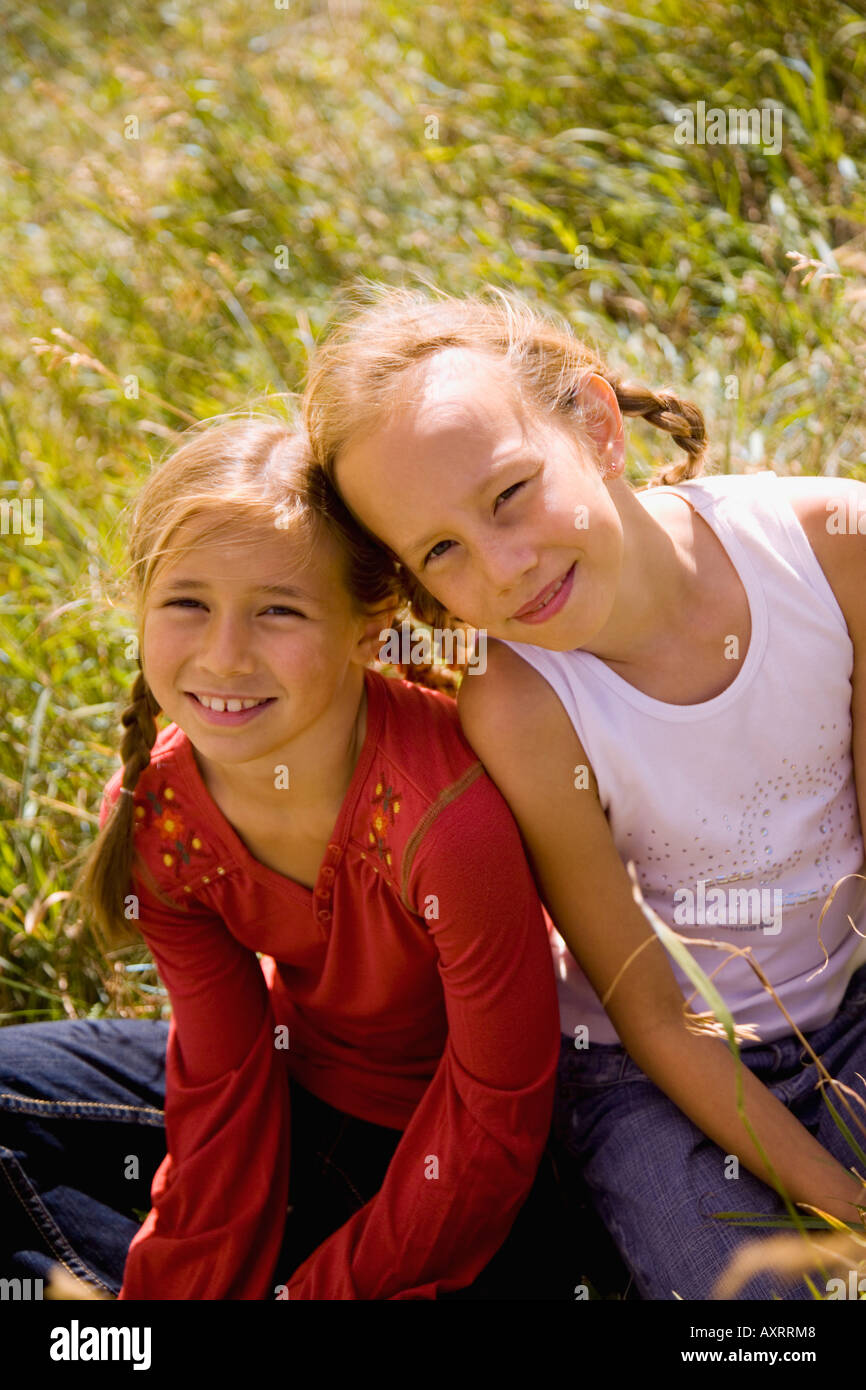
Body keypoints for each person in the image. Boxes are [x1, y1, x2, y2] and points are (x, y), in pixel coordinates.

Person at [299, 282, 866, 1299]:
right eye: (441, 552)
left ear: (596, 425)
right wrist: (843, 1205)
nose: (505, 566)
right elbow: (649, 1008)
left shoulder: (828, 550)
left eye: (508, 492)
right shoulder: (520, 708)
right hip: (655, 1080)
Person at [0, 412, 563, 1301]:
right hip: (290, 1089)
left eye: (278, 611)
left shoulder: (445, 824)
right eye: (187, 603)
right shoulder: (159, 814)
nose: (224, 657)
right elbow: (224, 1079)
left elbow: (498, 1112)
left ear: (368, 627)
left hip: (464, 1153)